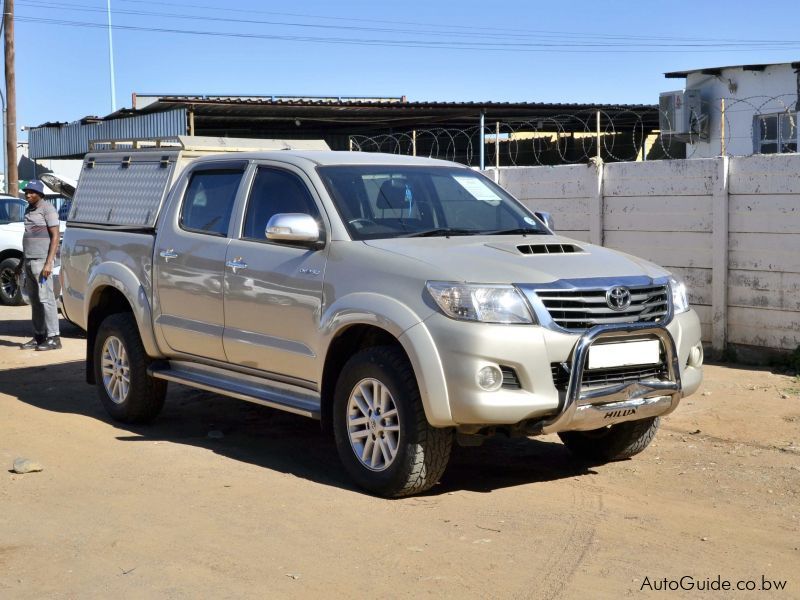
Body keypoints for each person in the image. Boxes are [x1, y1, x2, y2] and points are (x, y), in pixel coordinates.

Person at [16, 180, 61, 351]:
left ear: (40, 194)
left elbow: (55, 236)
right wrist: (21, 263)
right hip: (29, 261)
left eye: (31, 192)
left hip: (42, 261)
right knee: (35, 300)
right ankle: (39, 336)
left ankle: (54, 337)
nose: (27, 194)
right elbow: (28, 237)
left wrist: (49, 263)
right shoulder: (29, 209)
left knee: (46, 299)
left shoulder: (47, 209)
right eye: (26, 191)